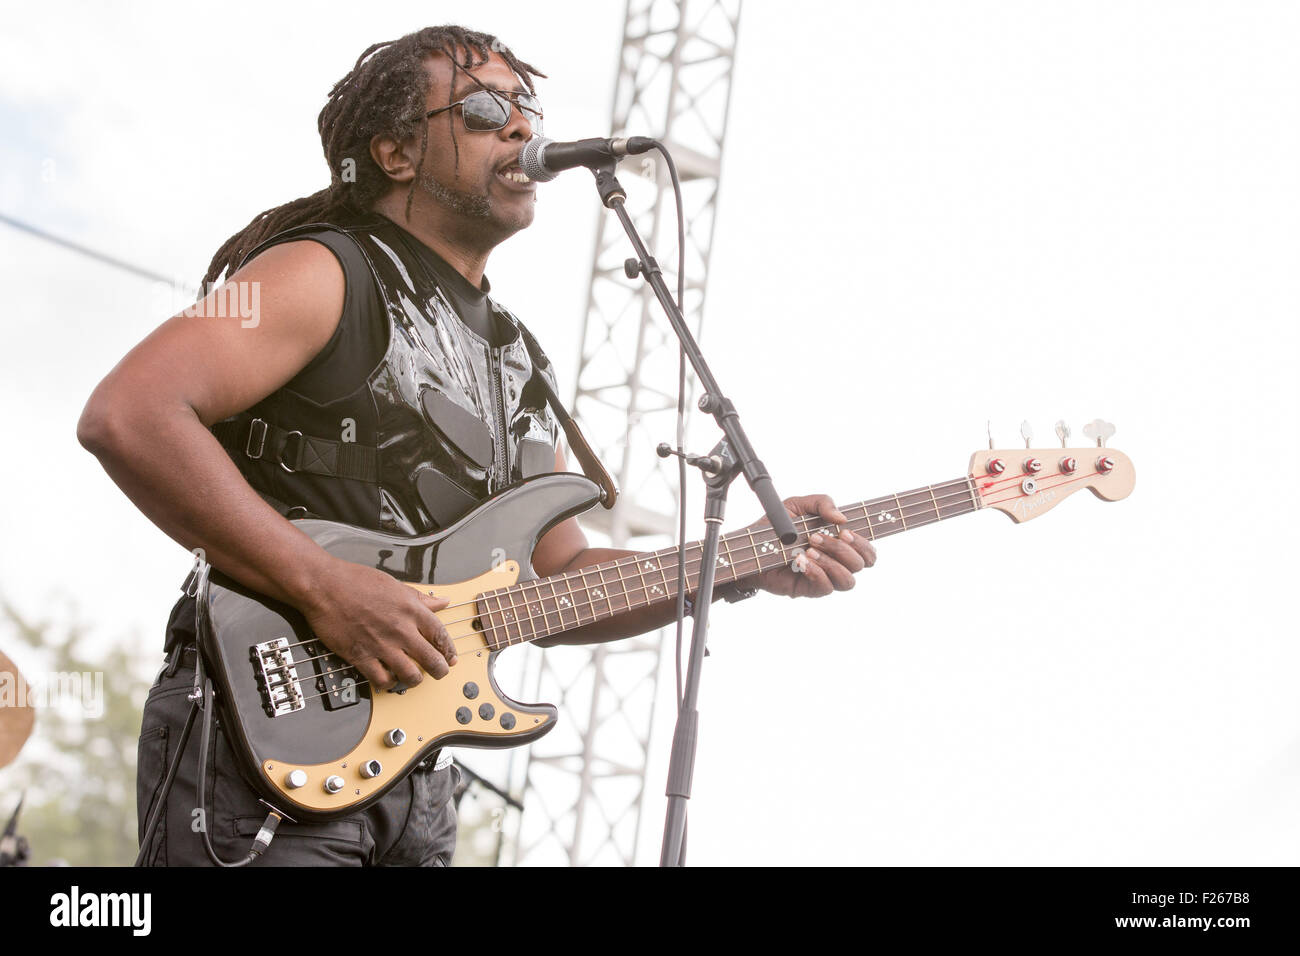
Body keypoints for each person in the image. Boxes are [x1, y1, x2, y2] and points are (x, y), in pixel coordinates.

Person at [76, 25, 877, 867]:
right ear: (394, 151)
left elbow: (560, 579)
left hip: (414, 776)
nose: (523, 129)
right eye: (487, 108)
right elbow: (130, 415)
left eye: (526, 107)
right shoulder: (324, 271)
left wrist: (742, 562)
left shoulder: (518, 360)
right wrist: (325, 588)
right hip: (260, 741)